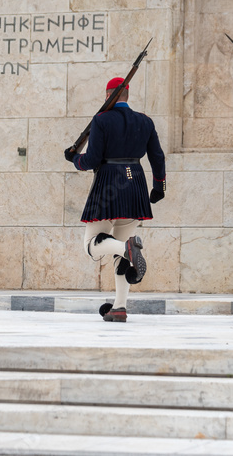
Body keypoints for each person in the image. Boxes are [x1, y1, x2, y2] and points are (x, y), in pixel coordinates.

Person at [65, 77, 165, 322]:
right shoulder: (145, 121)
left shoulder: (101, 120)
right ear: (126, 96)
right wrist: (159, 186)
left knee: (92, 246)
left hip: (109, 182)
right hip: (136, 184)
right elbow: (157, 156)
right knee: (121, 252)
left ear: (107, 95)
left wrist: (74, 158)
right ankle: (119, 307)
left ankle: (127, 250)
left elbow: (91, 160)